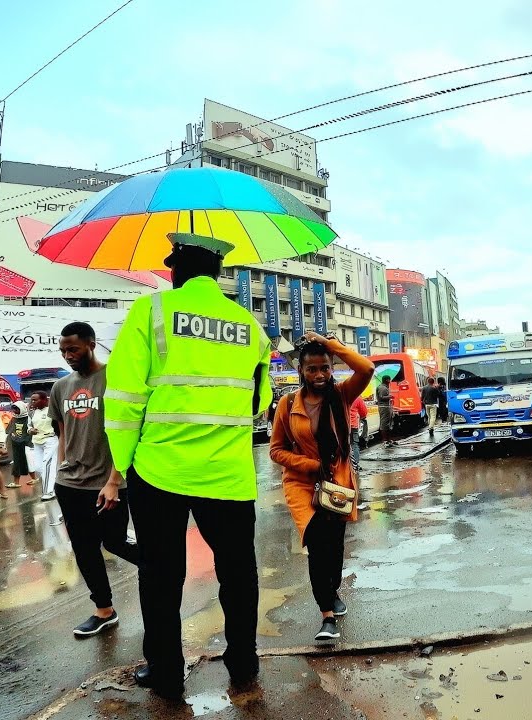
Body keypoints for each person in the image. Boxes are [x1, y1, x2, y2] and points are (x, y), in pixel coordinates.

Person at [105, 232, 272, 700]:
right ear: (217, 273)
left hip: (160, 470)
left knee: (161, 577)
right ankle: (242, 664)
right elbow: (259, 401)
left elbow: (123, 399)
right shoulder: (251, 327)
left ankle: (165, 669)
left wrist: (122, 466)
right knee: (239, 574)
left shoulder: (151, 311)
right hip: (228, 474)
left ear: (175, 270)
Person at [269, 333, 373, 642]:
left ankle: (332, 589)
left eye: (325, 368)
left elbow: (366, 369)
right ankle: (326, 614)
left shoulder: (342, 395)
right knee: (317, 546)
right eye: (312, 369)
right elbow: (276, 450)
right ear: (301, 370)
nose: (319, 375)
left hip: (337, 482)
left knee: (335, 547)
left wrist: (332, 346)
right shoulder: (288, 405)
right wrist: (309, 465)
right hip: (303, 485)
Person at [48, 321, 141, 639]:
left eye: (72, 348)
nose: (67, 355)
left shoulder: (115, 378)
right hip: (71, 484)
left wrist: (115, 479)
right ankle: (104, 610)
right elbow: (63, 434)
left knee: (114, 541)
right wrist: (61, 471)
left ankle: (159, 570)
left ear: (90, 343)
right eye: (63, 350)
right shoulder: (60, 387)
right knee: (84, 549)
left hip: (109, 482)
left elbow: (129, 429)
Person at [29, 391, 58, 502]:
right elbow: (29, 425)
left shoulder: (52, 410)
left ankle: (49, 492)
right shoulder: (32, 413)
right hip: (37, 441)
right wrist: (30, 430)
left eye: (35, 400)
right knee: (38, 468)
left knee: (47, 466)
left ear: (44, 400)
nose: (32, 402)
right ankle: (54, 485)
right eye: (31, 400)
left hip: (50, 440)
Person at [7, 401, 33, 488]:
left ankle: (33, 478)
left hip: (26, 444)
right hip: (16, 444)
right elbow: (9, 430)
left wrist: (26, 441)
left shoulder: (28, 418)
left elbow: (31, 431)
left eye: (17, 409)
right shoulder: (14, 419)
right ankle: (16, 482)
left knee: (29, 462)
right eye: (13, 409)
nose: (15, 411)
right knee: (16, 463)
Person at [347, 391, 368, 474]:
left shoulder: (341, 396)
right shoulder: (357, 398)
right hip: (353, 425)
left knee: (342, 445)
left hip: (341, 425)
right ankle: (355, 465)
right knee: (354, 445)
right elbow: (364, 412)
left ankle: (345, 465)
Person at [375, 375, 395, 446]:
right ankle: (385, 440)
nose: (390, 381)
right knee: (384, 424)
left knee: (388, 424)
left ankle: (388, 440)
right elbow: (382, 397)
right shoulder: (382, 388)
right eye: (389, 379)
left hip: (386, 407)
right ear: (387, 380)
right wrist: (390, 396)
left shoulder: (384, 387)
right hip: (384, 407)